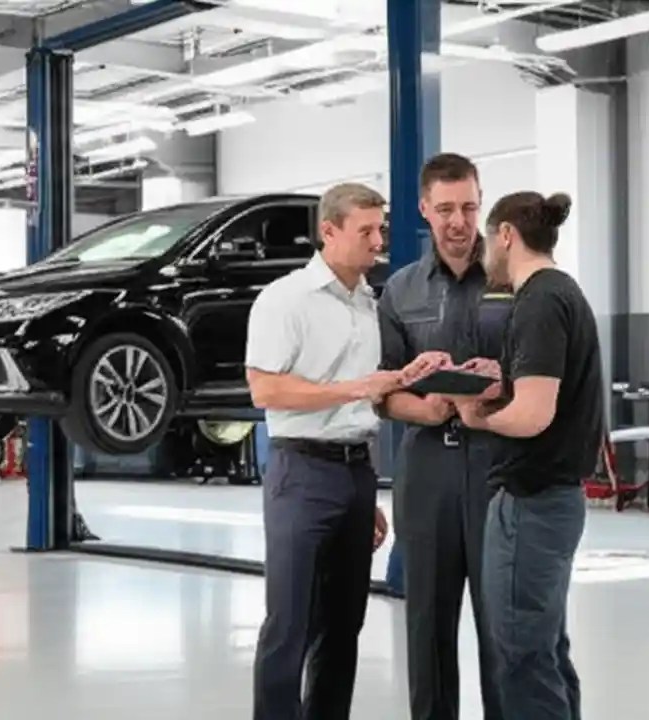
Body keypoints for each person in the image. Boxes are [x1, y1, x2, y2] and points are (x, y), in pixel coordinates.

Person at [245, 182, 440, 720]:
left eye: (382, 229)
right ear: (328, 231)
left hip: (355, 472)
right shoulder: (285, 299)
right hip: (300, 471)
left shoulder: (369, 305)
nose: (379, 241)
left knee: (343, 624)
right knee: (288, 623)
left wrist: (365, 491)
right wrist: (357, 389)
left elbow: (365, 403)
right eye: (366, 231)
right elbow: (265, 389)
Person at [447, 191, 602, 720]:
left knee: (522, 656)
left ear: (507, 235)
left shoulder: (538, 302)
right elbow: (544, 391)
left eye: (489, 239)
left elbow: (534, 415)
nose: (485, 251)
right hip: (555, 500)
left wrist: (478, 416)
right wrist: (502, 380)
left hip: (532, 502)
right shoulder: (563, 292)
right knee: (545, 650)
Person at [376, 153, 506, 720]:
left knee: (503, 624)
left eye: (469, 207)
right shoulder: (400, 290)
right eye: (446, 209)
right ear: (425, 209)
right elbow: (382, 391)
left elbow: (542, 371)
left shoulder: (513, 278)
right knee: (427, 622)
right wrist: (424, 409)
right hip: (427, 466)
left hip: (500, 463)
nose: (459, 222)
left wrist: (498, 384)